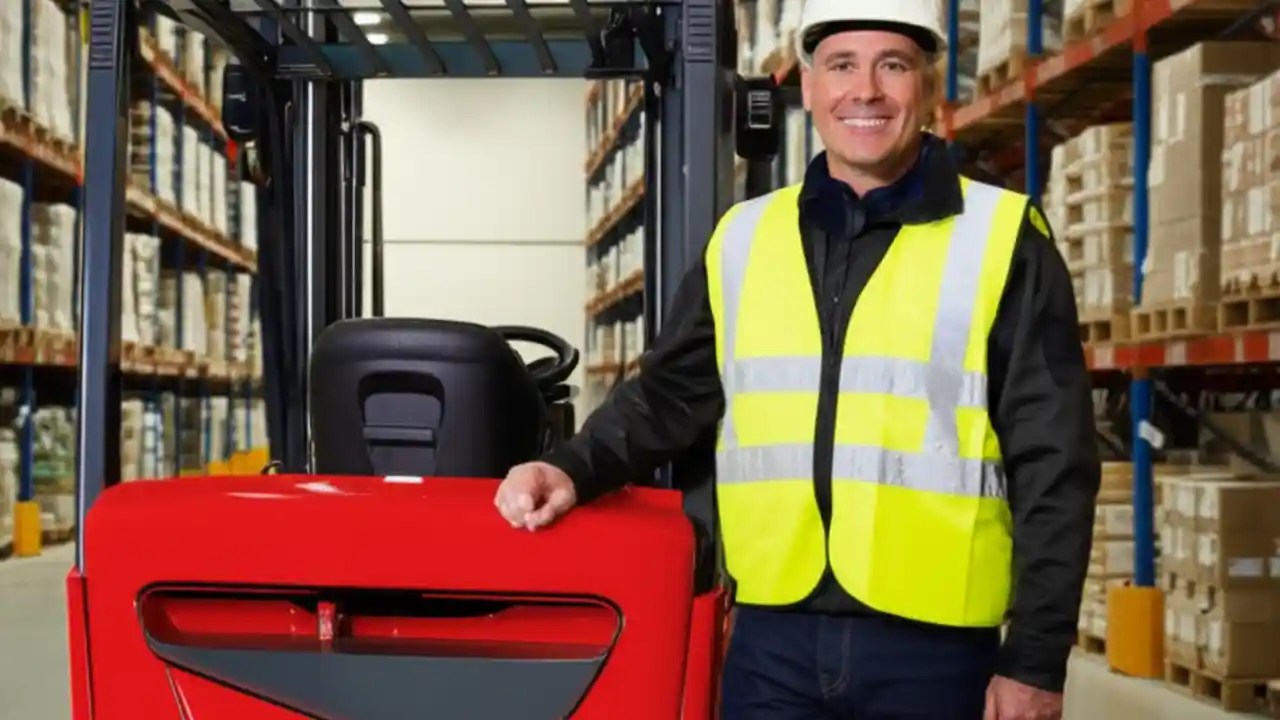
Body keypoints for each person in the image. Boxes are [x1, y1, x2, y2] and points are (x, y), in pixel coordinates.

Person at [495, 0, 1101, 718]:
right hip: (772, 638)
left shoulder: (1002, 239)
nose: (865, 90)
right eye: (842, 64)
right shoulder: (745, 238)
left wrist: (1035, 659)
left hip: (934, 649)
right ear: (808, 85)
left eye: (894, 65)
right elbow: (669, 397)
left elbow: (1054, 461)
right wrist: (568, 467)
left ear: (929, 87)